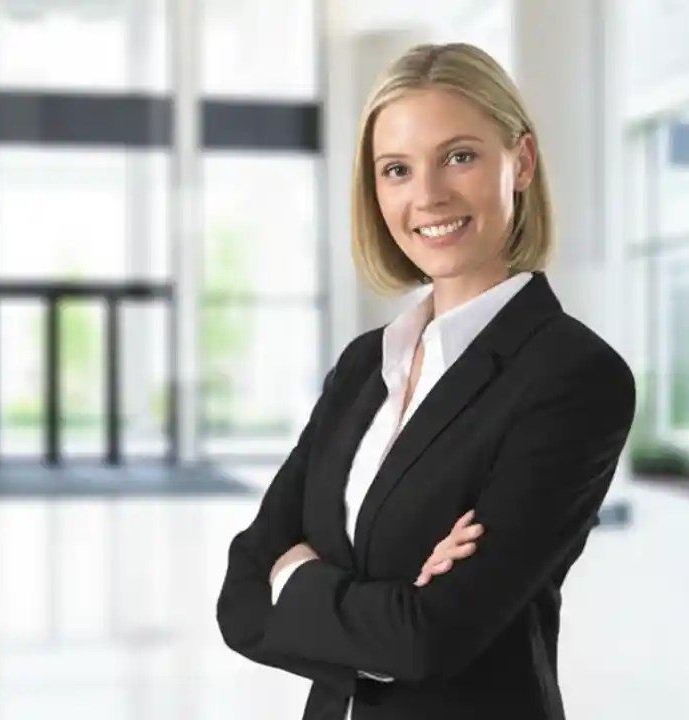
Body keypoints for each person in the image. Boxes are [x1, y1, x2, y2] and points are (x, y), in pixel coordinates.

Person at [215, 42, 636, 720]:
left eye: (459, 157)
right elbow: (240, 599)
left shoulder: (573, 377)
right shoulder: (365, 365)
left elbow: (427, 639)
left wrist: (294, 576)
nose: (428, 195)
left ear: (522, 161)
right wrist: (385, 604)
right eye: (397, 170)